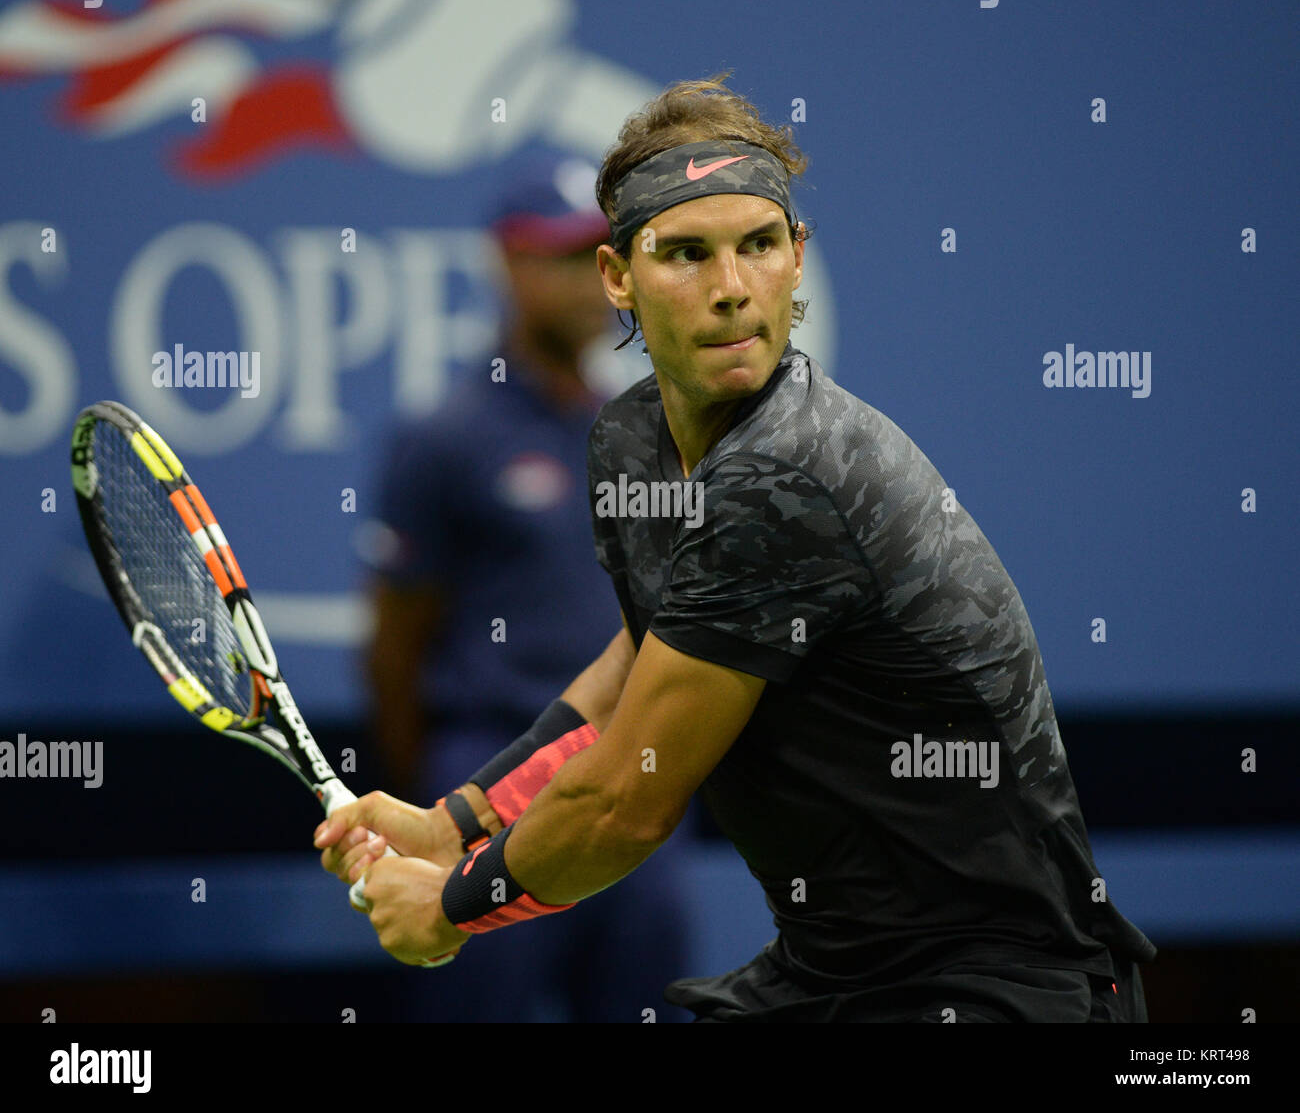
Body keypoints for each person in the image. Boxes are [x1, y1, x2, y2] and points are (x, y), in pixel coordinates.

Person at [321, 73, 1156, 1023]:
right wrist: (452, 821)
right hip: (839, 971)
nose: (729, 291)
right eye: (685, 253)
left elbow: (625, 804)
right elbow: (640, 661)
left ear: (797, 259)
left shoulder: (786, 476)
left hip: (991, 989)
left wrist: (452, 904)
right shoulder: (636, 441)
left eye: (758, 245)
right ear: (618, 276)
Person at [358, 148, 688, 1021]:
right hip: (483, 777)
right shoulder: (446, 437)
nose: (588, 279)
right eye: (560, 253)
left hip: (628, 783)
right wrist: (446, 799)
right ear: (506, 259)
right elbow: (394, 650)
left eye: (597, 253)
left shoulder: (642, 432)